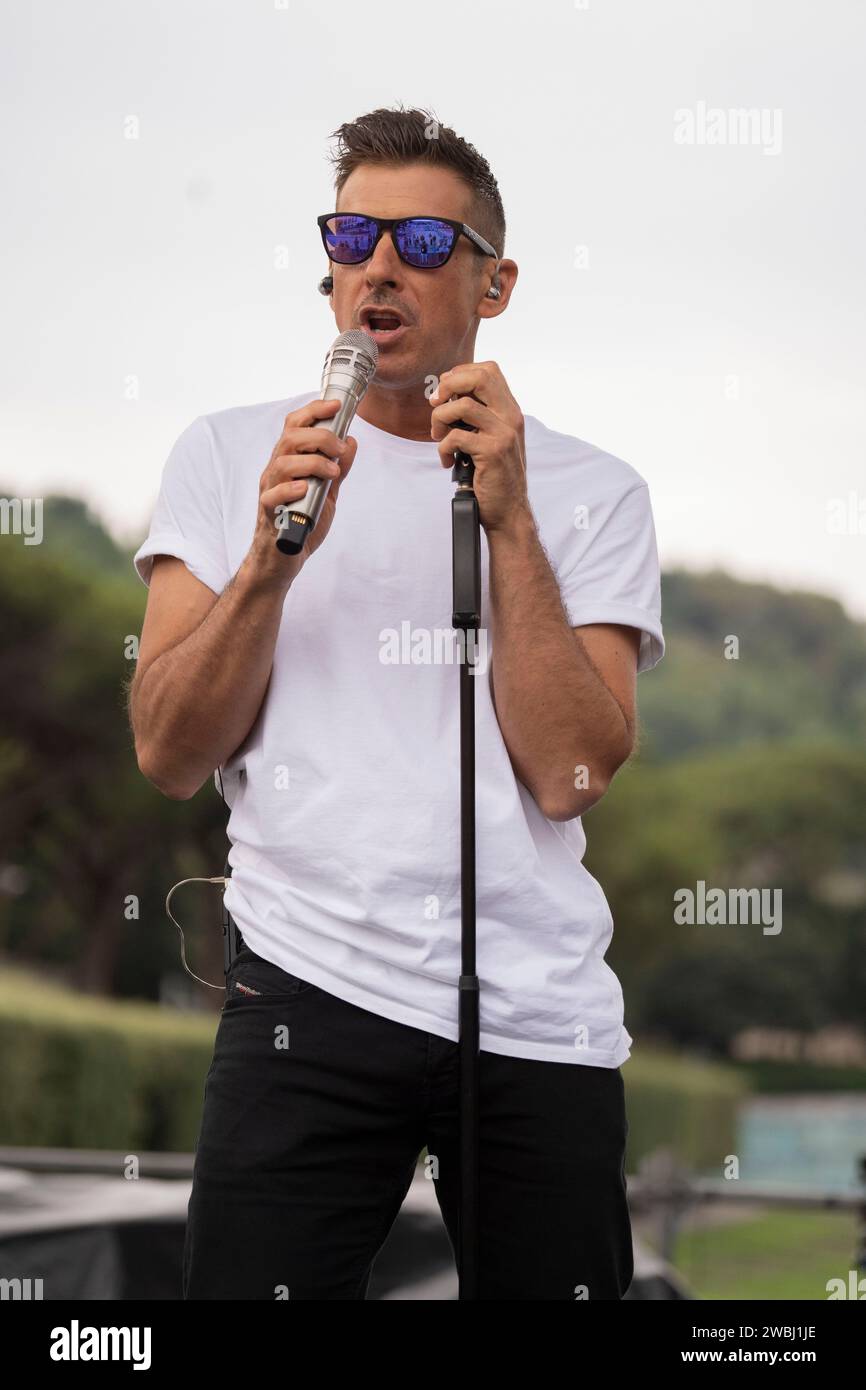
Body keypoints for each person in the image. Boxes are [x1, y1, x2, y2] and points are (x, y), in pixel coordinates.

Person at [129, 105, 665, 1301]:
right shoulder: (227, 458)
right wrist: (273, 559)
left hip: (531, 1012)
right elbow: (167, 752)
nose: (377, 265)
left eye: (421, 243)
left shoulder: (590, 492)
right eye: (350, 234)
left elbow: (573, 772)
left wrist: (509, 520)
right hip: (303, 1001)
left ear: (495, 282)